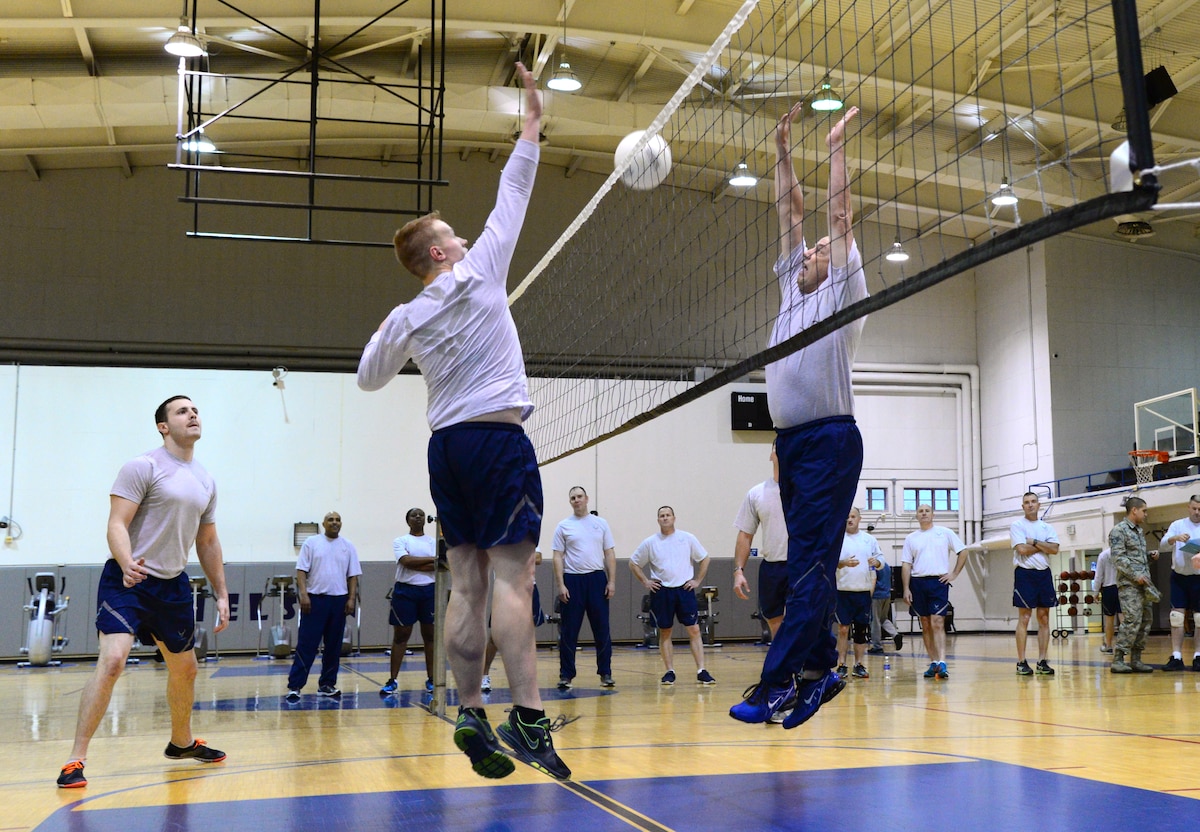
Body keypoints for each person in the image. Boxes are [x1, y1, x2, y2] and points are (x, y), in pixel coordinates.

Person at [356, 62, 569, 781]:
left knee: (467, 585)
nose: (464, 237)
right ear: (442, 253)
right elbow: (516, 187)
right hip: (498, 439)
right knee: (515, 580)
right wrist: (532, 123)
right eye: (453, 234)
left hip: (445, 448)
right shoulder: (479, 271)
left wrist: (404, 330)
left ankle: (471, 708)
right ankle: (531, 718)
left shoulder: (406, 315)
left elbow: (368, 378)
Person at [730, 102, 868, 730]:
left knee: (810, 565)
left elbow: (837, 214)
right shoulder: (792, 288)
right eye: (808, 249)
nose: (810, 249)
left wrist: (836, 145)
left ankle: (778, 680)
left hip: (829, 440)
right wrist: (783, 153)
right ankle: (820, 674)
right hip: (790, 446)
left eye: (820, 248)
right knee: (808, 560)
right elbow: (791, 211)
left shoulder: (842, 290)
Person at [57, 396, 230, 789]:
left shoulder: (205, 479)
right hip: (128, 580)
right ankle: (75, 758)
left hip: (173, 585)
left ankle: (182, 743)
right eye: (182, 411)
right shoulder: (143, 466)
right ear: (163, 426)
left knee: (185, 669)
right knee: (114, 660)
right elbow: (116, 523)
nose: (193, 414)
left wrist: (221, 593)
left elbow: (208, 542)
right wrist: (126, 560)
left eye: (196, 410)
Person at [629, 506, 716, 686]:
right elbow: (633, 563)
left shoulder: (687, 538)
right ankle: (669, 671)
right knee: (665, 631)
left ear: (674, 518)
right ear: (658, 520)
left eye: (668, 515)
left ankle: (701, 670)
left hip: (684, 589)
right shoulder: (650, 542)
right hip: (662, 592)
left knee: (694, 629)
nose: (665, 518)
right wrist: (646, 581)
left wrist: (697, 580)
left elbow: (705, 558)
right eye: (661, 516)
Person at [285, 512, 361, 700]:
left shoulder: (348, 546)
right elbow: (301, 571)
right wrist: (304, 595)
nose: (334, 523)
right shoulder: (311, 543)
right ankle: (295, 686)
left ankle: (327, 684)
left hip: (339, 601)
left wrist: (351, 599)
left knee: (334, 646)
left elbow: (353, 576)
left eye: (337, 520)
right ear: (323, 524)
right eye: (331, 520)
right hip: (315, 600)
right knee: (306, 644)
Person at [552, 487, 617, 689]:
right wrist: (561, 584)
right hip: (572, 581)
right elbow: (557, 556)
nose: (576, 500)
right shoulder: (563, 526)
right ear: (570, 502)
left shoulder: (601, 524)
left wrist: (611, 581)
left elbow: (609, 553)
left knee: (602, 629)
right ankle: (566, 675)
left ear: (586, 499)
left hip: (597, 580)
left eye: (579, 496)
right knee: (569, 631)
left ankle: (605, 673)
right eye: (573, 498)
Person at [901, 504, 969, 680]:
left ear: (932, 515)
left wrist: (953, 573)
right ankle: (933, 663)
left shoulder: (944, 532)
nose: (923, 513)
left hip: (938, 582)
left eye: (927, 511)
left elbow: (963, 551)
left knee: (937, 621)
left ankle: (942, 662)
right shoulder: (911, 538)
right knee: (925, 623)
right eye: (920, 511)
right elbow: (906, 564)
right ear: (916, 515)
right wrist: (906, 588)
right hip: (917, 582)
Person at [731, 441, 789, 640]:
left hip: (802, 564)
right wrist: (739, 571)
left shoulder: (807, 490)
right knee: (774, 619)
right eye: (777, 447)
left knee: (805, 618)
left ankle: (806, 667)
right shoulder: (756, 493)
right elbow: (745, 535)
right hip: (773, 567)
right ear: (771, 454)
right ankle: (785, 666)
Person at [381, 508, 436, 696]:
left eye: (421, 514)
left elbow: (442, 564)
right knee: (401, 636)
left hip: (429, 591)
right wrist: (431, 561)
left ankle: (432, 679)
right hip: (405, 591)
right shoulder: (400, 541)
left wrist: (423, 562)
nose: (418, 517)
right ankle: (393, 680)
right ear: (408, 520)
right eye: (414, 515)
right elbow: (406, 561)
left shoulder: (433, 542)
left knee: (430, 636)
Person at [482, 549, 547, 693]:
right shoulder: (499, 537)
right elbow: (497, 558)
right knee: (495, 637)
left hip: (528, 589)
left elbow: (538, 558)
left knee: (527, 636)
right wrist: (522, 557)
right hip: (505, 589)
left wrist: (513, 557)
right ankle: (484, 675)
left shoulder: (527, 532)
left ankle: (525, 679)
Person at [1010, 492, 1060, 676]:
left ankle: (1042, 661)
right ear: (1022, 506)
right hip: (1025, 574)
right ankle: (1021, 661)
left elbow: (1054, 549)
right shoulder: (1017, 525)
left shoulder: (1047, 527)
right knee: (1024, 618)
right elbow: (1022, 550)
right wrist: (1043, 545)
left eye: (1033, 502)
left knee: (1044, 618)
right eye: (1026, 502)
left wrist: (1035, 542)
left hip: (1043, 574)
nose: (1030, 505)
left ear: (1039, 505)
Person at [1109, 496, 1158, 674]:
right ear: (1134, 510)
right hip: (1129, 585)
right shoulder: (1118, 531)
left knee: (1145, 621)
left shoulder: (1138, 531)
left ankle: (1136, 659)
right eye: (1144, 510)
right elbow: (1118, 558)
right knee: (1132, 620)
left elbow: (1136, 558)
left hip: (1144, 584)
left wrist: (1148, 557)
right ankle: (1118, 659)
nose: (1146, 514)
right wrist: (1135, 575)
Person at [835, 508, 881, 679]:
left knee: (861, 630)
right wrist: (843, 563)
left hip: (862, 591)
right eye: (847, 516)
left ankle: (859, 664)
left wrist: (877, 562)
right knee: (843, 629)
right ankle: (841, 664)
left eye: (853, 516)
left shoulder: (869, 540)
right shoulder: (837, 539)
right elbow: (830, 562)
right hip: (842, 591)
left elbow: (880, 559)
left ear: (859, 519)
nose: (849, 519)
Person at [1159, 495, 1200, 671]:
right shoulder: (1177, 525)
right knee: (1176, 618)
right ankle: (1176, 656)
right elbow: (1162, 545)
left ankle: (1198, 656)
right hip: (1179, 578)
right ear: (1188, 507)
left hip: (1198, 578)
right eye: (1194, 508)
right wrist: (1175, 538)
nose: (1197, 512)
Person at [868, 553, 902, 654]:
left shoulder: (873, 566)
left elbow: (872, 581)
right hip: (886, 595)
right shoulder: (886, 565)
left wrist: (869, 596)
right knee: (883, 618)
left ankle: (877, 646)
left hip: (876, 595)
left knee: (875, 621)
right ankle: (895, 634)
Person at [1092, 547, 1120, 654]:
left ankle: (1108, 646)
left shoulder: (1103, 555)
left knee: (1109, 619)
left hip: (1108, 588)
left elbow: (1098, 575)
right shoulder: (1123, 553)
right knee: (1123, 618)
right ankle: (1124, 647)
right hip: (1122, 587)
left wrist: (1095, 592)